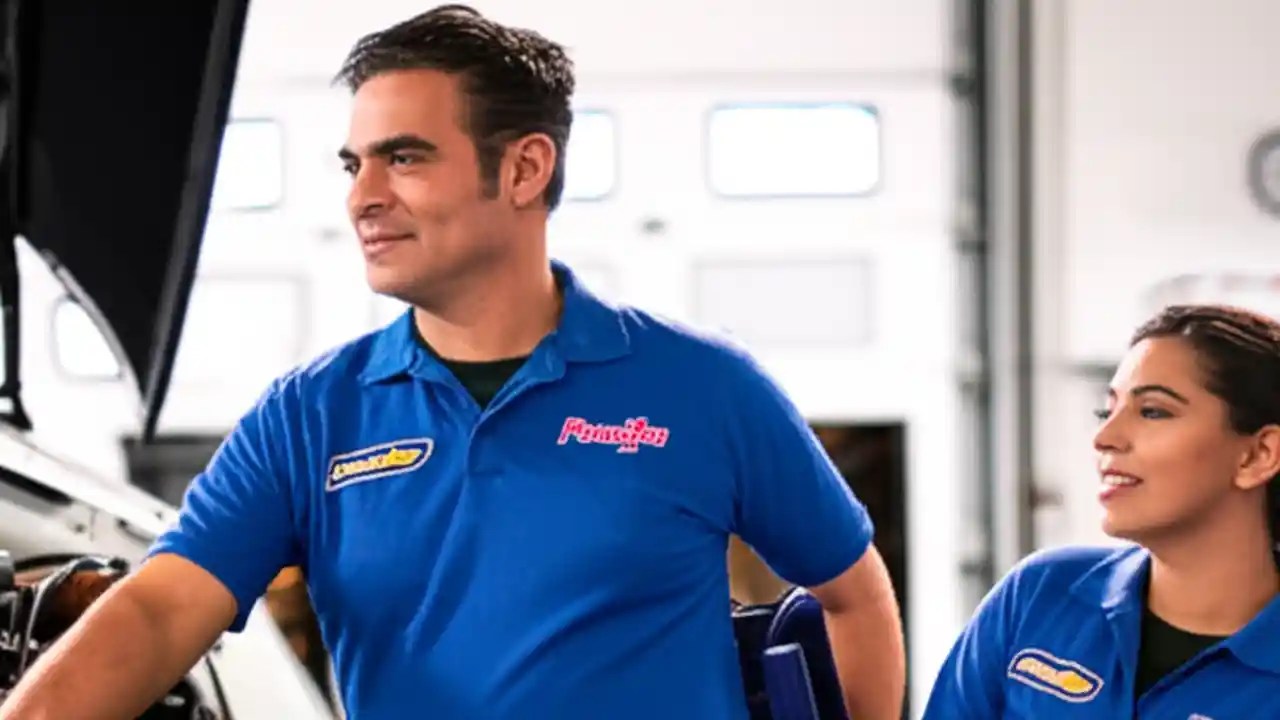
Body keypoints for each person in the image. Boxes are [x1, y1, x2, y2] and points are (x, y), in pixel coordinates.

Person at [0, 6, 906, 719]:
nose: (362, 197)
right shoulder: (311, 419)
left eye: (404, 158)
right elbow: (161, 612)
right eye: (353, 162)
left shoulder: (704, 390)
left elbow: (852, 598)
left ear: (522, 170)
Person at [923, 303, 1280, 718]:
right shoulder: (1038, 595)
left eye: (1153, 412)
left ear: (1257, 455)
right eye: (1106, 411)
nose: (1105, 437)